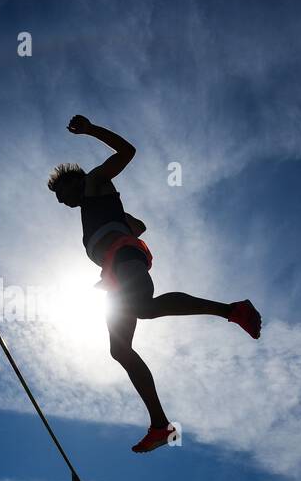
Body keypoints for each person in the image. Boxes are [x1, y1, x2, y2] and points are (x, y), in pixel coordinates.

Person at [47, 115, 262, 453]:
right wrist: (122, 224)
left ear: (75, 181)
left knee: (144, 309)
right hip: (114, 270)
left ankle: (233, 310)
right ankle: (161, 426)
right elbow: (140, 226)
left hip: (123, 257)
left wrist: (90, 130)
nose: (62, 201)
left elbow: (127, 151)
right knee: (119, 349)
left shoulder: (94, 181)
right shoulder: (95, 205)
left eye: (62, 193)